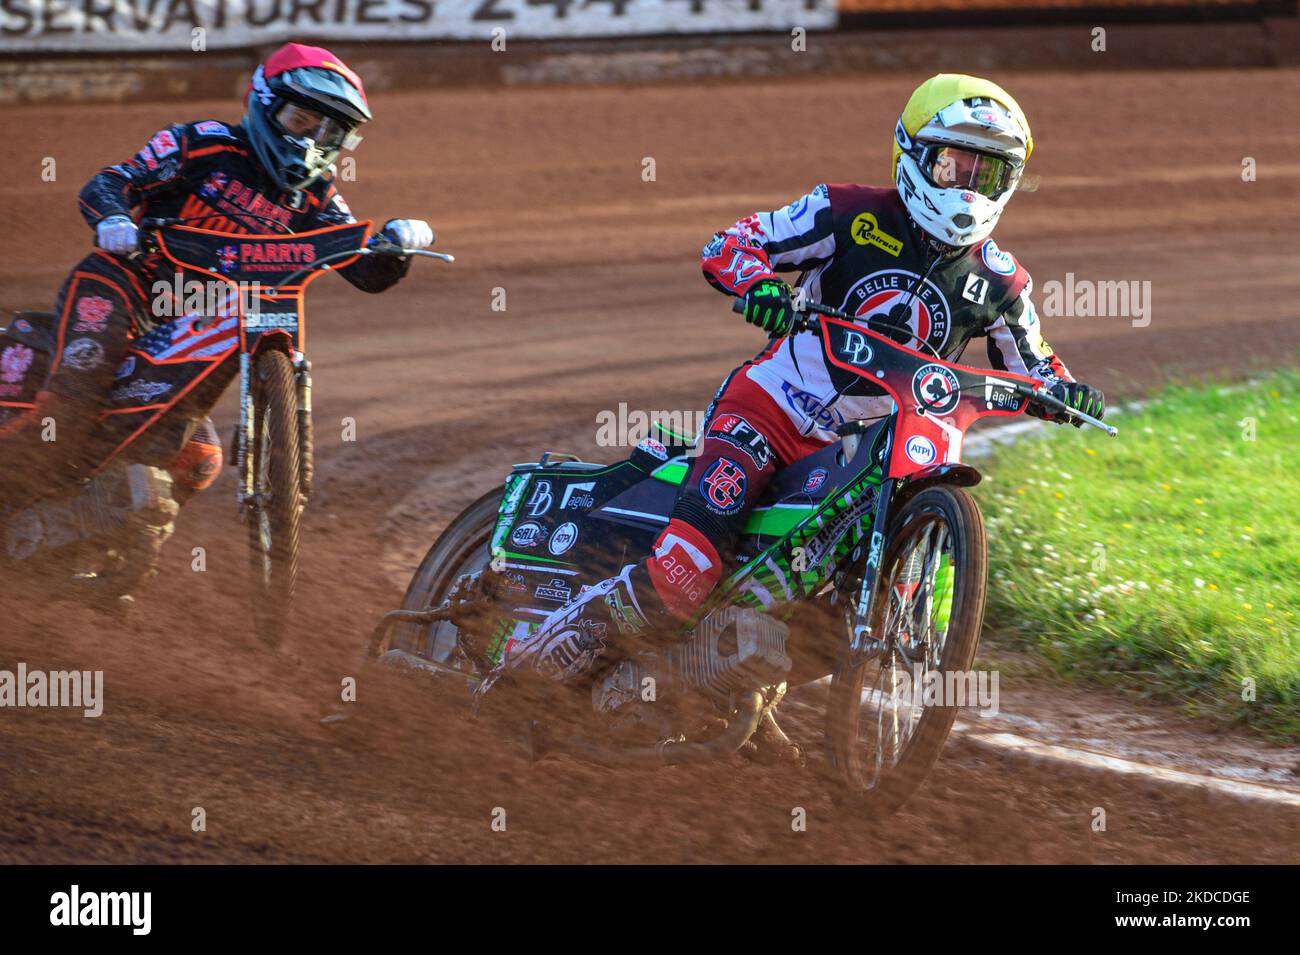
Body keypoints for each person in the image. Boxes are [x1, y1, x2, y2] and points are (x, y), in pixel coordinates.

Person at [506, 74, 1106, 707]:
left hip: (871, 453)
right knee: (691, 569)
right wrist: (760, 285)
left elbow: (1036, 365)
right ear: (913, 154)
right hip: (772, 411)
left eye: (987, 175)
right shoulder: (846, 211)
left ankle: (720, 687)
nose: (967, 186)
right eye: (954, 164)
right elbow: (733, 242)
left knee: (840, 609)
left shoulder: (1002, 282)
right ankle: (538, 662)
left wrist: (1066, 394)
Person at [0, 43, 434, 567]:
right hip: (126, 285)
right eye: (301, 119)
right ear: (264, 103)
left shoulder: (315, 198)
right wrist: (113, 220)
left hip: (194, 323)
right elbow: (111, 181)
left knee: (198, 458)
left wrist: (397, 245)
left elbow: (365, 271)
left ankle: (104, 559)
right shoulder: (201, 145)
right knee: (78, 391)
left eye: (330, 133)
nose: (312, 142)